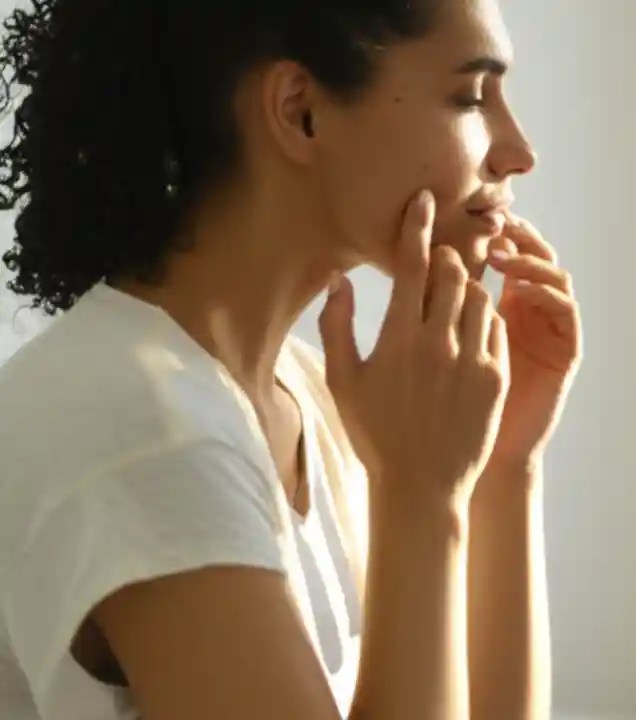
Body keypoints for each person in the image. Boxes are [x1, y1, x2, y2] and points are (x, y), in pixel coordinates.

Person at [0, 0, 583, 717]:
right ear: (301, 111)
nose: (518, 150)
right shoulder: (139, 426)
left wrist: (501, 465)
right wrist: (420, 498)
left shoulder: (305, 394)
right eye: (471, 95)